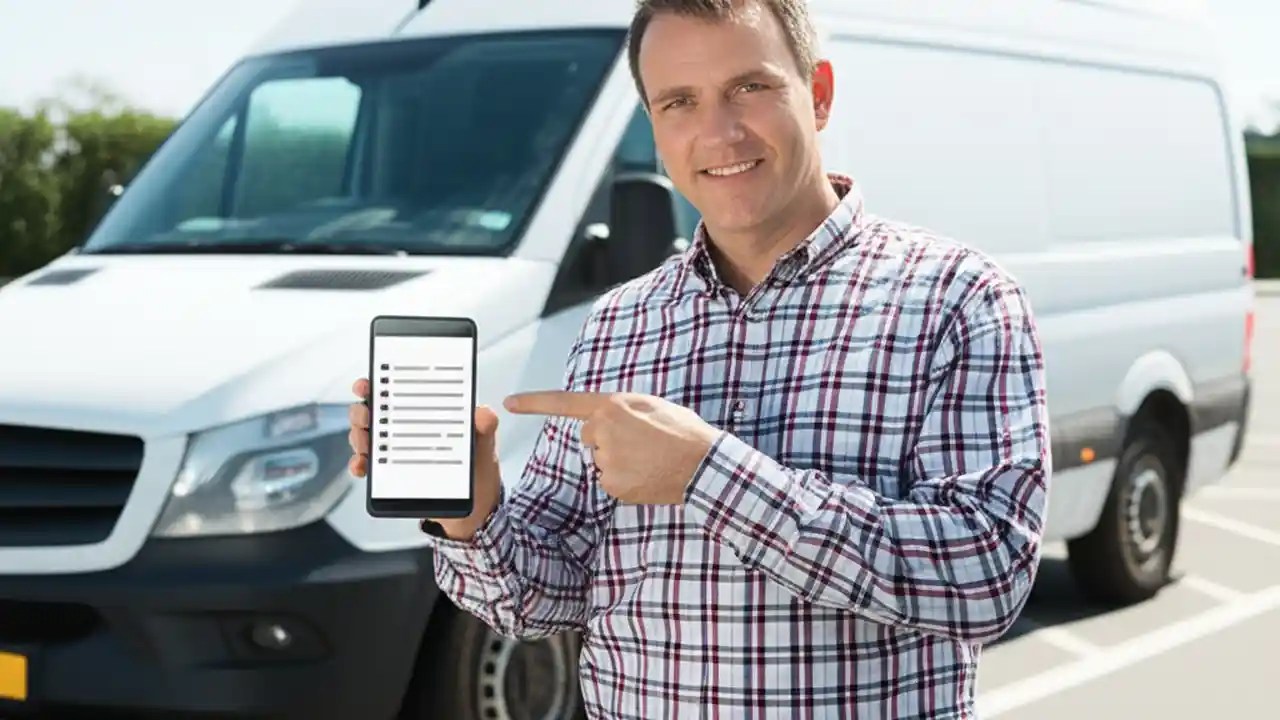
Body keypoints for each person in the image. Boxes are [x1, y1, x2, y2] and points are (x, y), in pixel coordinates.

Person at [348, 0, 1051, 716]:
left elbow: (986, 575)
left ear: (819, 94)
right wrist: (474, 510)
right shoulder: (620, 322)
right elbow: (542, 599)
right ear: (654, 129)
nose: (718, 132)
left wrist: (707, 472)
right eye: (679, 102)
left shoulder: (958, 298)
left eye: (749, 87)